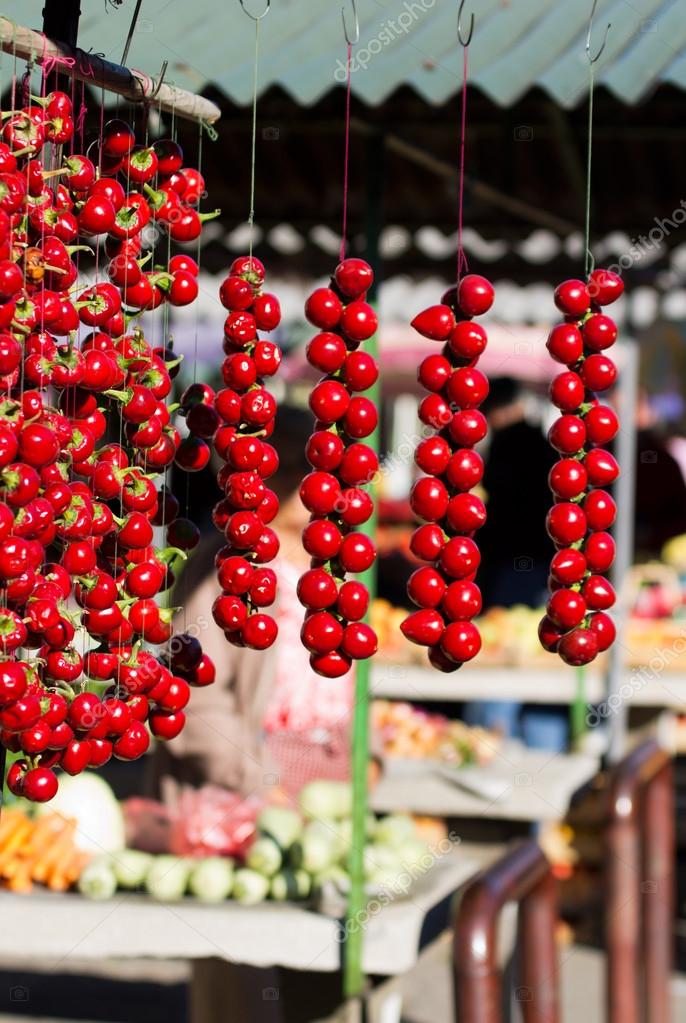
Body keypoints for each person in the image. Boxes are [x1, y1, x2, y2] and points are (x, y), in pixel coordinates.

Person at [153, 405, 355, 800]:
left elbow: (353, 675)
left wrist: (369, 754)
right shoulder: (228, 567)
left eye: (316, 467)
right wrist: (256, 777)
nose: (304, 480)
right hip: (249, 780)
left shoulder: (336, 565)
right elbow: (194, 693)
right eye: (290, 465)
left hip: (333, 770)